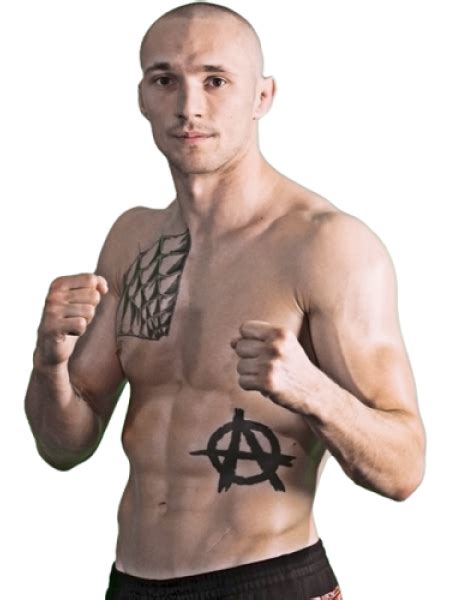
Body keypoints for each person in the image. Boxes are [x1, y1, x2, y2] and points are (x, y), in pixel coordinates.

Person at [24, 2, 426, 599]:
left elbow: (404, 469)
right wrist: (48, 362)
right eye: (166, 80)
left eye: (215, 81)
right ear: (142, 98)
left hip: (269, 581)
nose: (189, 106)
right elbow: (65, 446)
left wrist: (311, 390)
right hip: (131, 583)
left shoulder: (328, 246)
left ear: (262, 96)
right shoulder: (132, 240)